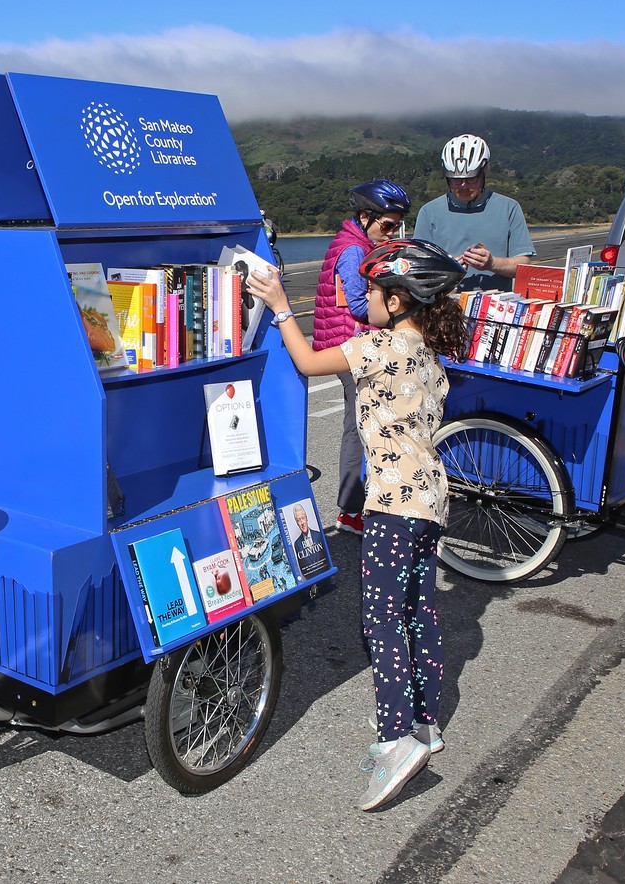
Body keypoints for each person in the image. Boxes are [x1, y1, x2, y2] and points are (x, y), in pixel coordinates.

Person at [248, 238, 467, 812]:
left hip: (394, 504)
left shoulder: (376, 346)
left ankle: (394, 738)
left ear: (397, 300)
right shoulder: (429, 355)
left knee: (381, 620)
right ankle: (425, 723)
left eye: (370, 290)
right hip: (431, 499)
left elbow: (307, 361)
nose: (361, 297)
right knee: (419, 610)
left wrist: (278, 304)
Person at [312, 179, 411, 536]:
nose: (392, 232)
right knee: (358, 427)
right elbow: (357, 306)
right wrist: (401, 306)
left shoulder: (356, 242)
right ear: (366, 216)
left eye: (397, 225)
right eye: (387, 225)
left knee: (362, 423)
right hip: (349, 345)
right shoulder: (354, 251)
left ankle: (357, 503)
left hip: (349, 342)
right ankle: (350, 510)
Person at [413, 134, 536, 291]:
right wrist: (446, 270)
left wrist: (492, 264)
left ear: (484, 171)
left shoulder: (509, 208)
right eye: (455, 180)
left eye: (471, 179)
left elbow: (523, 265)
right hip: (444, 308)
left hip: (494, 308)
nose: (463, 186)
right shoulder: (429, 212)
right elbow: (418, 268)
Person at [288, 503, 329, 578]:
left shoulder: (318, 535)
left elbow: (327, 556)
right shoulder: (297, 544)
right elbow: (302, 568)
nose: (302, 523)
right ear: (297, 523)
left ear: (307, 518)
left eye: (303, 518)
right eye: (299, 520)